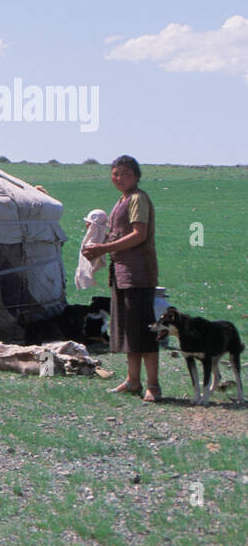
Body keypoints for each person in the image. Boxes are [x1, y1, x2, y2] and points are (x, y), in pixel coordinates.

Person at [82, 155, 160, 402]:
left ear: (136, 176)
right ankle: (132, 380)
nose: (119, 178)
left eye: (125, 174)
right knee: (128, 329)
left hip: (138, 274)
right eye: (115, 174)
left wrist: (103, 249)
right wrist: (98, 236)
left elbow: (139, 234)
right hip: (121, 273)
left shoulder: (137, 199)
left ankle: (153, 386)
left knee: (143, 330)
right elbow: (121, 234)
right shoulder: (122, 201)